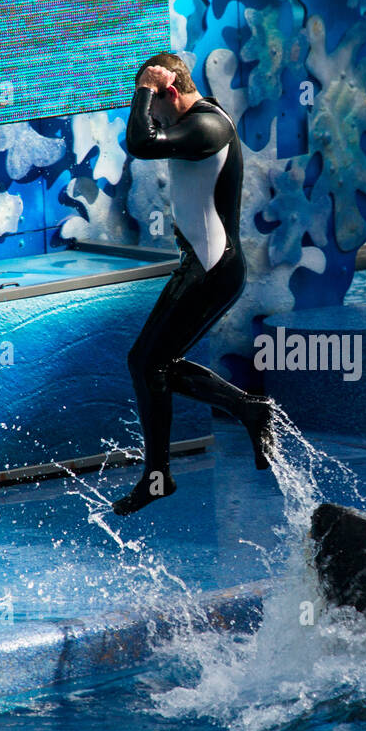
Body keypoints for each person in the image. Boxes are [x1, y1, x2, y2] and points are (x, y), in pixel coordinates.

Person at [112, 53, 276, 516]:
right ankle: (247, 410)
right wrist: (147, 92)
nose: (154, 116)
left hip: (215, 269)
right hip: (202, 267)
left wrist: (144, 90)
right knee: (151, 363)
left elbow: (141, 143)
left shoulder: (210, 127)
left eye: (155, 103)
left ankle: (159, 475)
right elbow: (145, 139)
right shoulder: (196, 123)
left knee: (148, 363)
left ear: (169, 92)